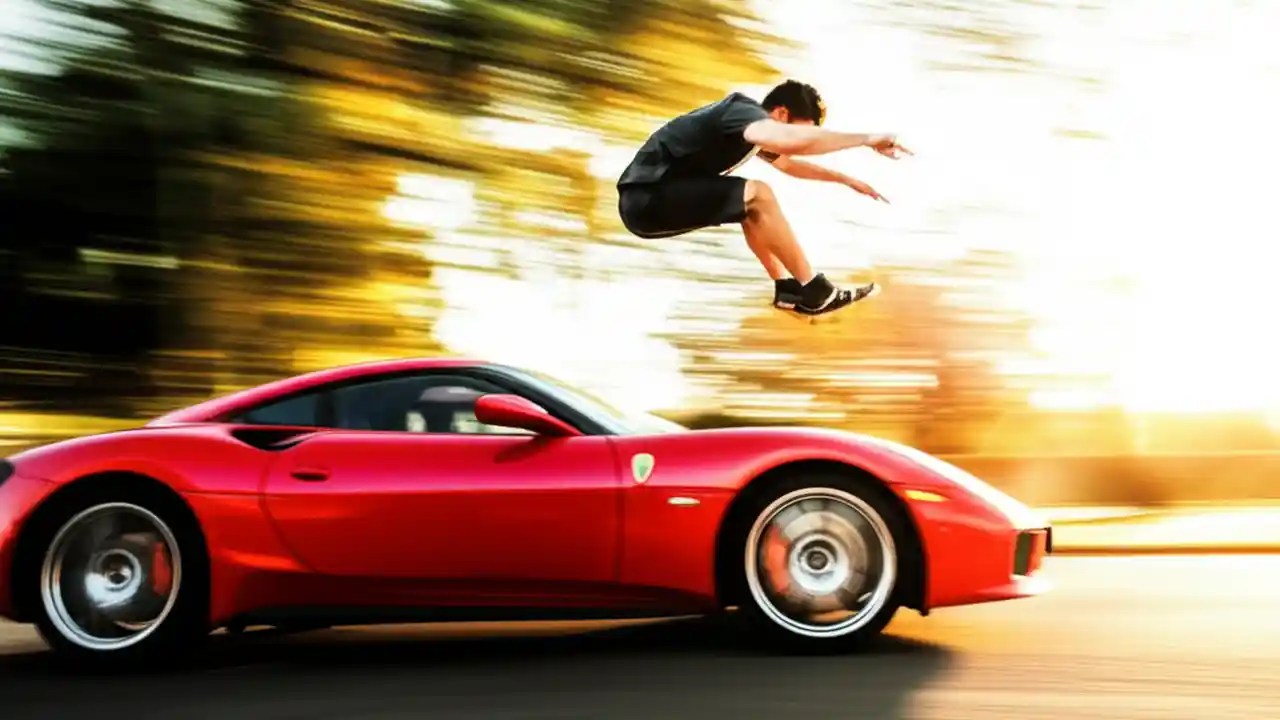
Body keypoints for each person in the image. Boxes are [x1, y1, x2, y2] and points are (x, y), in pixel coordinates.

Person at [615, 79, 911, 316]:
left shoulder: (750, 134)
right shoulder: (743, 112)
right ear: (781, 114)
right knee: (759, 194)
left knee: (750, 207)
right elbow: (790, 144)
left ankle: (788, 289)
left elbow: (789, 164)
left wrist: (846, 180)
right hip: (648, 195)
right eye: (801, 133)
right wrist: (866, 139)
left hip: (649, 204)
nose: (800, 143)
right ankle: (816, 290)